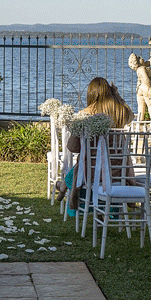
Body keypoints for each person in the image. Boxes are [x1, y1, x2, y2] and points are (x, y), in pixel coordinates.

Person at [61, 77, 134, 214]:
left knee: (76, 171)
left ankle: (64, 188)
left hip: (91, 173)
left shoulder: (85, 114)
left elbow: (72, 147)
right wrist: (117, 97)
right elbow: (131, 116)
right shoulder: (120, 112)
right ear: (109, 92)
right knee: (76, 171)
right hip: (119, 171)